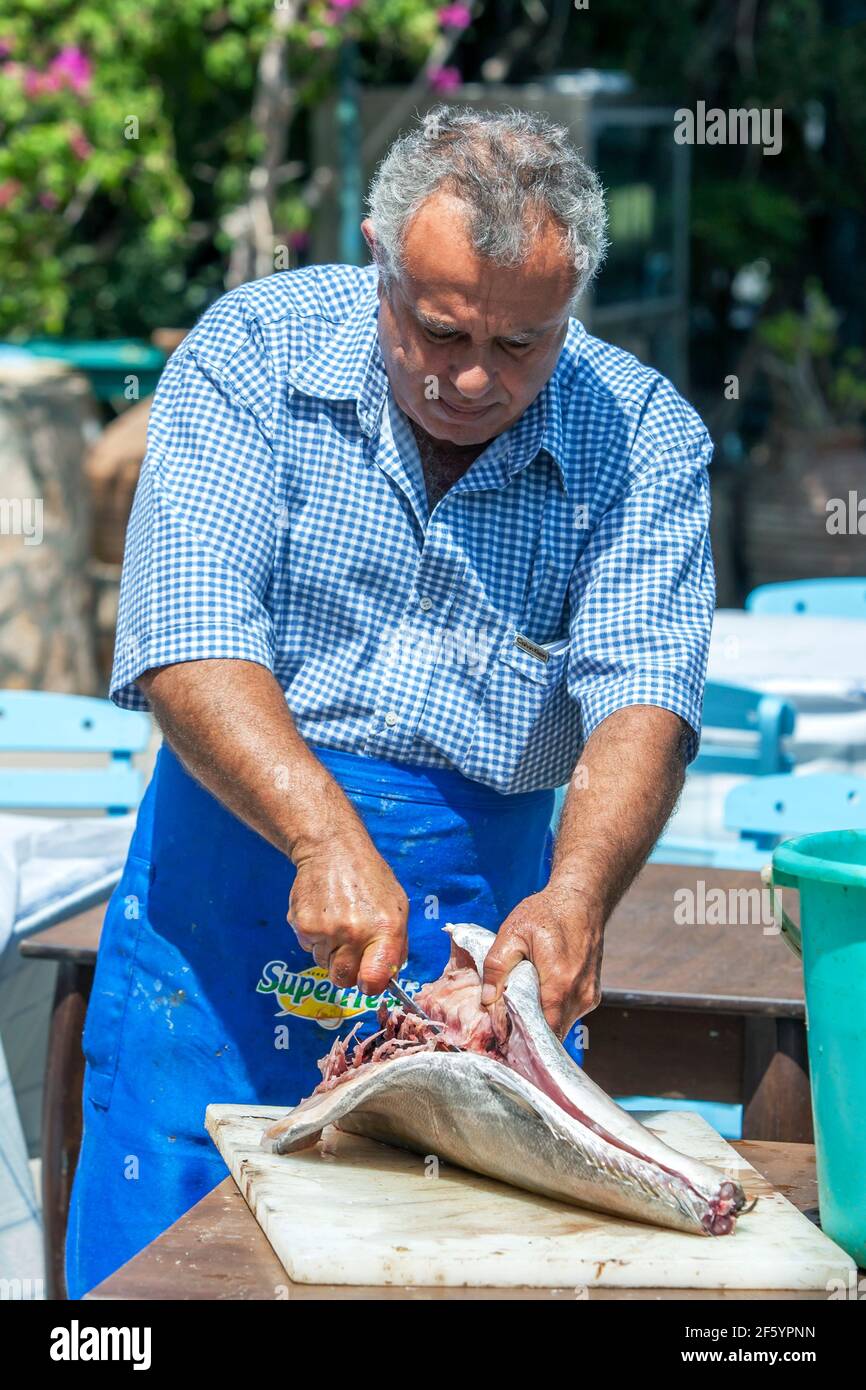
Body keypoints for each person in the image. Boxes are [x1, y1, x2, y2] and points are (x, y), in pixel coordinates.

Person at [66, 104, 715, 1296]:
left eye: (521, 346)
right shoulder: (249, 354)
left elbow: (643, 695)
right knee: (161, 1281)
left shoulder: (643, 436)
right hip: (217, 923)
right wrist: (318, 831)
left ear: (570, 311)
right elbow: (189, 636)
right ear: (379, 264)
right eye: (438, 330)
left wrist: (574, 899)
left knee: (436, 1270)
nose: (470, 377)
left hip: (474, 945)